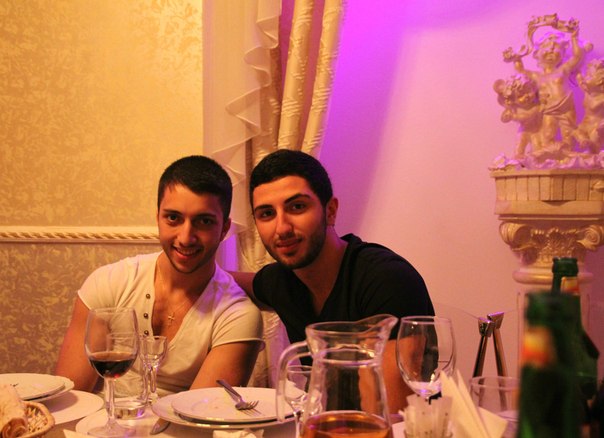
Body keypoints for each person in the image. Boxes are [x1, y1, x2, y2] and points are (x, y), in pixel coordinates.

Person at [234, 149, 434, 413]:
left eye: (297, 207)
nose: (281, 228)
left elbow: (388, 416)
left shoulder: (387, 279)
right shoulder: (284, 280)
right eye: (267, 214)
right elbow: (234, 281)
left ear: (330, 211)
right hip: (328, 424)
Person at [55, 155, 263, 395]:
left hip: (180, 421)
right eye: (173, 218)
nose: (185, 238)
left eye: (204, 221)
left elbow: (200, 413)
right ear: (158, 218)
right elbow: (71, 396)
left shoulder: (238, 315)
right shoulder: (109, 282)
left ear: (224, 229)